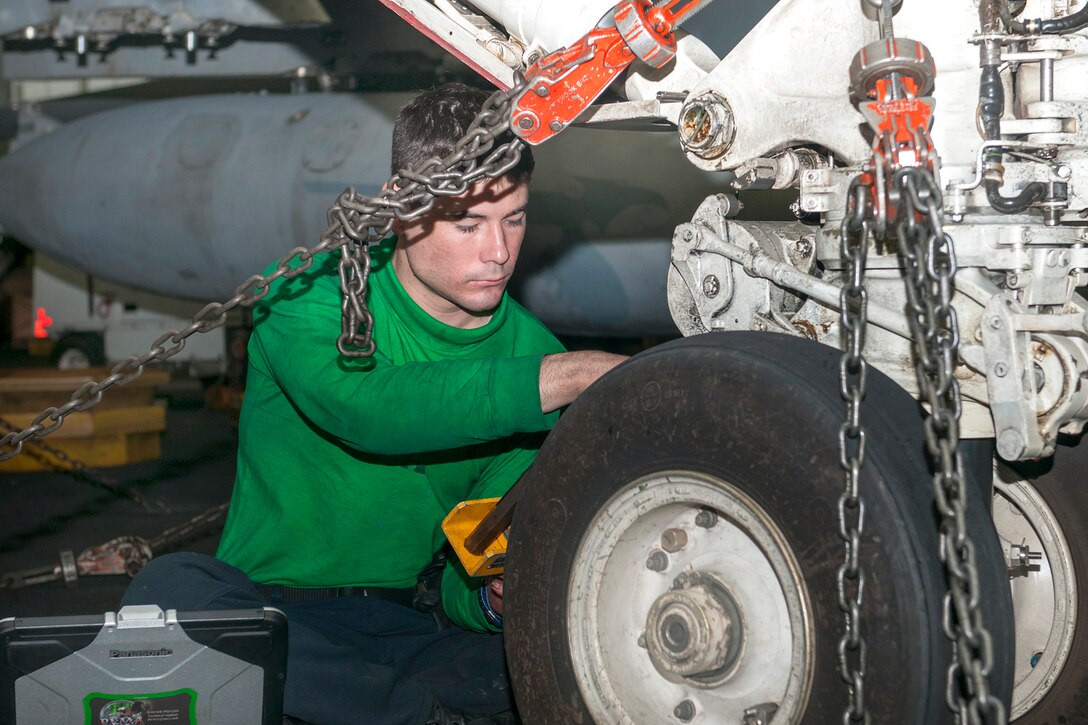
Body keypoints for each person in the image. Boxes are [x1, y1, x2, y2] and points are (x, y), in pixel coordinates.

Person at [121, 82, 627, 725]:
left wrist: (499, 599)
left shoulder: (532, 351)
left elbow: (466, 567)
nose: (498, 252)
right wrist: (561, 377)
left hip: (397, 634)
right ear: (403, 211)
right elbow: (368, 411)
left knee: (549, 658)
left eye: (515, 218)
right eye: (468, 223)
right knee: (171, 594)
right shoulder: (310, 296)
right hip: (270, 617)